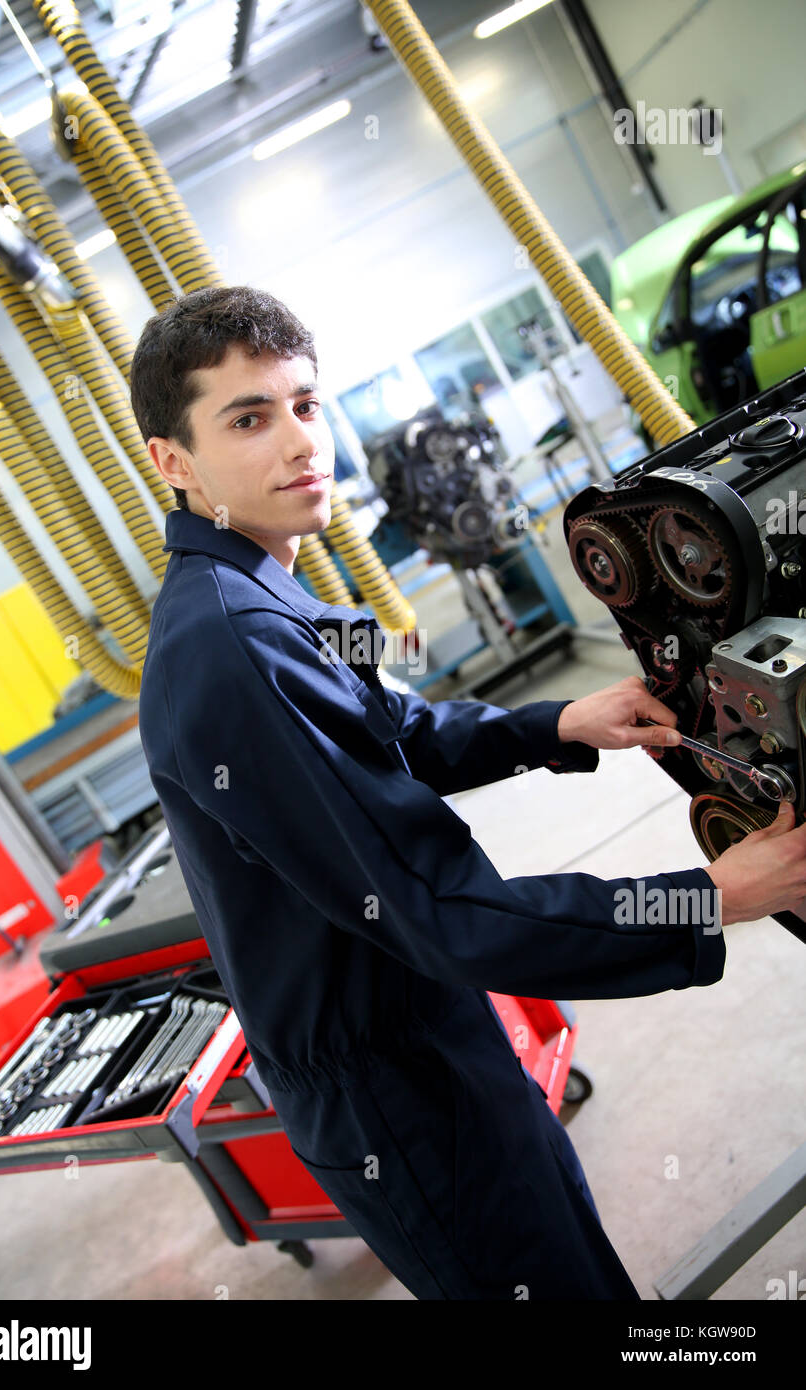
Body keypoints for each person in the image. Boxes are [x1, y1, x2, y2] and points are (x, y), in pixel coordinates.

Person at [130, 284, 806, 1301]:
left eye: (305, 405)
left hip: (425, 1028)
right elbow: (442, 912)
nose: (296, 442)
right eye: (247, 417)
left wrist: (553, 723)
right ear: (169, 460)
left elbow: (394, 725)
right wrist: (707, 897)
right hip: (391, 1093)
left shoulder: (270, 584)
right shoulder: (230, 649)